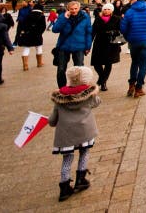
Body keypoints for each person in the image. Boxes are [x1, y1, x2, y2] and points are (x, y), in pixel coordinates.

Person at [49, 66, 101, 202]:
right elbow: (97, 103)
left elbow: (52, 121)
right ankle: (80, 179)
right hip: (84, 132)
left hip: (66, 136)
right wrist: (93, 91)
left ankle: (64, 187)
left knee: (67, 159)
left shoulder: (60, 98)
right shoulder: (88, 96)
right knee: (84, 153)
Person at [52, 2, 93, 89]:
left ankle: (78, 88)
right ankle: (62, 88)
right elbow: (55, 29)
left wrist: (88, 46)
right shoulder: (63, 16)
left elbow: (88, 32)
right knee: (61, 69)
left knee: (79, 69)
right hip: (64, 46)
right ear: (68, 9)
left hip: (79, 46)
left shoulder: (85, 17)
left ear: (79, 8)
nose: (74, 11)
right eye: (71, 9)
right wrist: (64, 18)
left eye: (76, 8)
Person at [90, 4, 122, 91]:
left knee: (108, 63)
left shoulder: (117, 18)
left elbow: (121, 31)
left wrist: (119, 43)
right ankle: (102, 78)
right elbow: (93, 32)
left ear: (111, 10)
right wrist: (88, 45)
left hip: (111, 43)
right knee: (96, 63)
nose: (106, 11)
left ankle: (103, 82)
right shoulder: (98, 19)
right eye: (105, 9)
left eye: (108, 9)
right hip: (99, 42)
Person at [17, 1, 46, 70]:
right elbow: (43, 27)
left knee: (26, 49)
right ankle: (39, 63)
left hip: (28, 34)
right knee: (38, 48)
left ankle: (25, 65)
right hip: (37, 35)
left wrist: (25, 31)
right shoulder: (41, 16)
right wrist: (39, 33)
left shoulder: (28, 15)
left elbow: (23, 25)